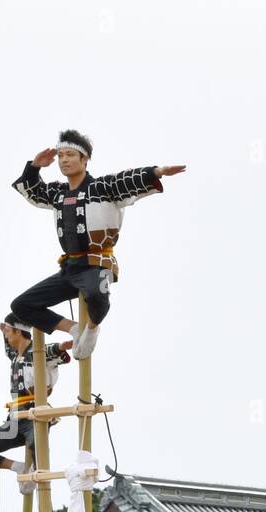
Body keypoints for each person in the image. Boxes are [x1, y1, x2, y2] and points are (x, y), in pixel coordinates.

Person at [9, 130, 185, 359]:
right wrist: (34, 167)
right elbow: (34, 192)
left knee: (96, 294)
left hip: (97, 263)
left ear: (84, 159)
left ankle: (92, 329)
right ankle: (75, 328)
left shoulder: (104, 187)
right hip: (70, 267)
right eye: (60, 156)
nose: (64, 160)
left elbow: (127, 178)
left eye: (70, 155)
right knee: (21, 305)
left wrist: (156, 172)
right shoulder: (58, 193)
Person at [0, 320, 72, 488]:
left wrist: (60, 347)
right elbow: (8, 346)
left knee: (37, 444)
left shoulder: (36, 351)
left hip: (33, 415)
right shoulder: (15, 356)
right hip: (14, 421)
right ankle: (20, 468)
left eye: (8, 332)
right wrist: (3, 331)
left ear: (18, 331)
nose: (6, 336)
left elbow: (50, 350)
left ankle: (38, 476)